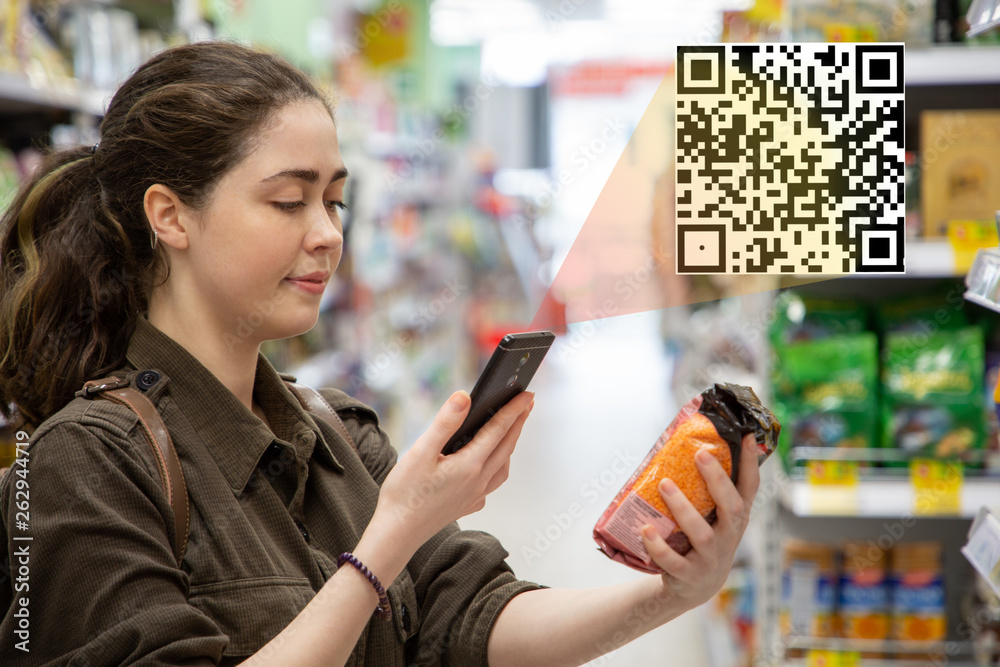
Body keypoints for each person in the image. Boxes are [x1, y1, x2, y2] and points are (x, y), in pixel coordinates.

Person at [0, 41, 759, 666]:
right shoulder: (82, 463)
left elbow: (470, 619)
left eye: (335, 199)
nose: (330, 233)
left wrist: (668, 594)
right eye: (288, 200)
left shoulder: (338, 433)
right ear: (170, 215)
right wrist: (388, 538)